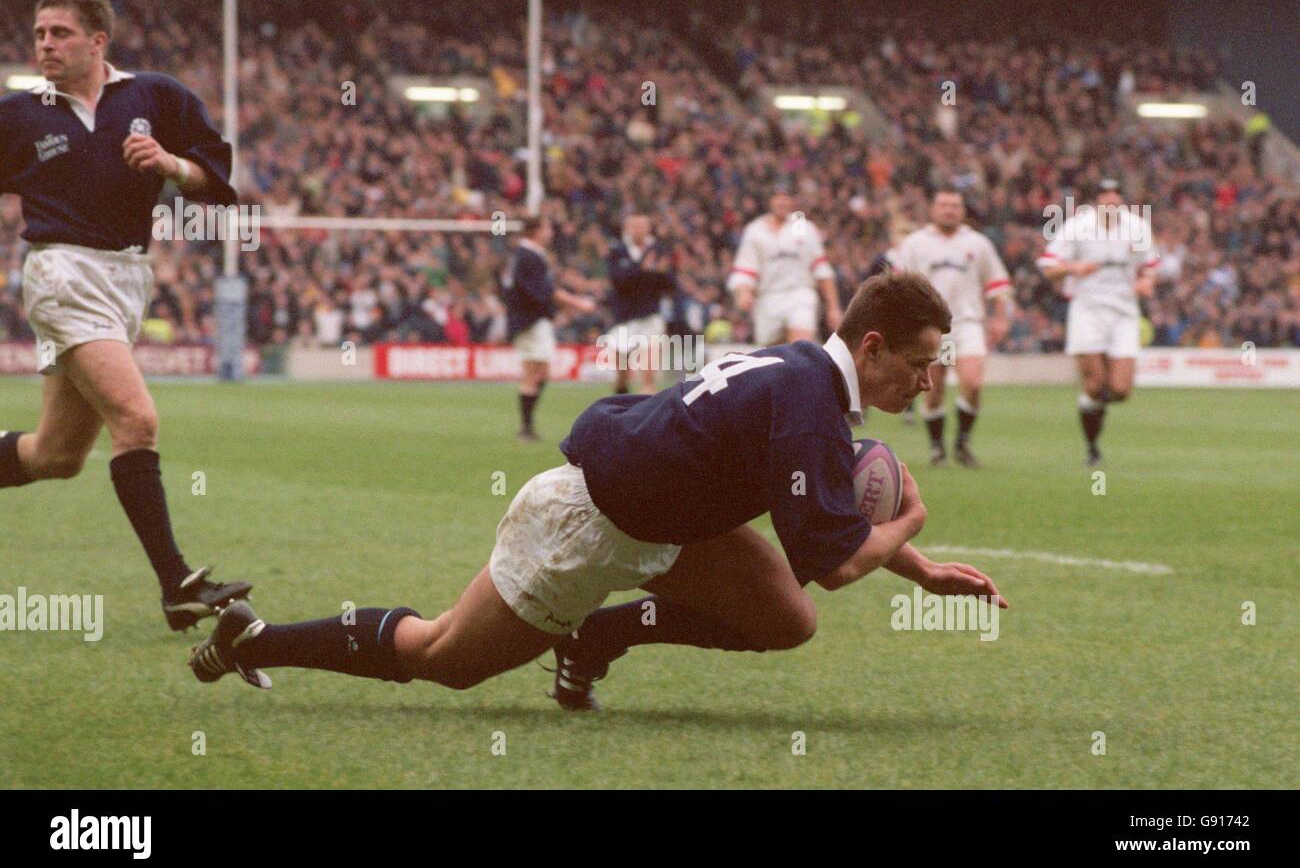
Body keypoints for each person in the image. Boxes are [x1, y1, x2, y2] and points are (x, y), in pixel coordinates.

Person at [186, 273, 1006, 709]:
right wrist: (913, 523)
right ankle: (253, 638)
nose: (930, 382)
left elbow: (824, 533)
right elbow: (835, 562)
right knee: (446, 660)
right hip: (586, 524)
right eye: (922, 362)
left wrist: (925, 571)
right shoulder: (809, 409)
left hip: (663, 518)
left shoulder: (805, 379)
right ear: (871, 346)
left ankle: (596, 639)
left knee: (783, 619)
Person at [0, 0, 252, 630]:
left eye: (60, 32)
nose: (46, 44)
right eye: (39, 34)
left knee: (56, 456)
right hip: (61, 272)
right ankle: (177, 584)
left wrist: (173, 166)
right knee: (136, 420)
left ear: (97, 42)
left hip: (126, 278)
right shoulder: (20, 114)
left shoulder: (156, 97)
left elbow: (221, 185)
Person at [1037, 179, 1159, 466]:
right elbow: (1048, 268)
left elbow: (1150, 266)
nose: (1112, 201)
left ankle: (1091, 410)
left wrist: (1146, 282)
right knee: (1093, 384)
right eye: (1106, 195)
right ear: (1095, 202)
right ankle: (1092, 447)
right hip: (1087, 308)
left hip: (1124, 311)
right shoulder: (1077, 227)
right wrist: (1072, 268)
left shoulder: (1137, 227)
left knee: (1120, 390)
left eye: (1116, 195)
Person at [895, 188, 1014, 467]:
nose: (949, 210)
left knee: (972, 384)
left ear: (962, 211)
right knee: (933, 390)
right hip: (930, 329)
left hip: (968, 323)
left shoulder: (977, 243)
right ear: (933, 209)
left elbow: (997, 282)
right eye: (944, 205)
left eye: (955, 206)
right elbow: (899, 286)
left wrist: (1000, 317)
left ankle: (962, 442)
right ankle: (937, 447)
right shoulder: (915, 243)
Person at [501, 214, 594, 441]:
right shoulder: (529, 256)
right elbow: (545, 291)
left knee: (538, 372)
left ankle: (527, 426)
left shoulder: (526, 256)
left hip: (530, 320)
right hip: (530, 322)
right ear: (536, 231)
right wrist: (578, 303)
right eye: (547, 227)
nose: (551, 232)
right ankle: (525, 428)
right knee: (534, 373)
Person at [727, 187, 842, 346]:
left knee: (800, 348)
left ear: (792, 201)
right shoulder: (755, 231)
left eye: (786, 197)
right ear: (770, 201)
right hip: (767, 297)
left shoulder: (804, 227)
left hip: (800, 293)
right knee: (773, 355)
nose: (782, 202)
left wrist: (833, 307)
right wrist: (743, 292)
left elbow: (822, 270)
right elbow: (745, 270)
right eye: (777, 197)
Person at [605, 211, 675, 394]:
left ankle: (646, 420)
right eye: (634, 226)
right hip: (623, 318)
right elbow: (618, 282)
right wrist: (642, 270)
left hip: (651, 316)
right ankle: (621, 407)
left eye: (642, 226)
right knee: (622, 375)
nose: (639, 230)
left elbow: (671, 284)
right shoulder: (617, 251)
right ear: (627, 228)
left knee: (648, 374)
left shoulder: (660, 250)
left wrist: (661, 273)